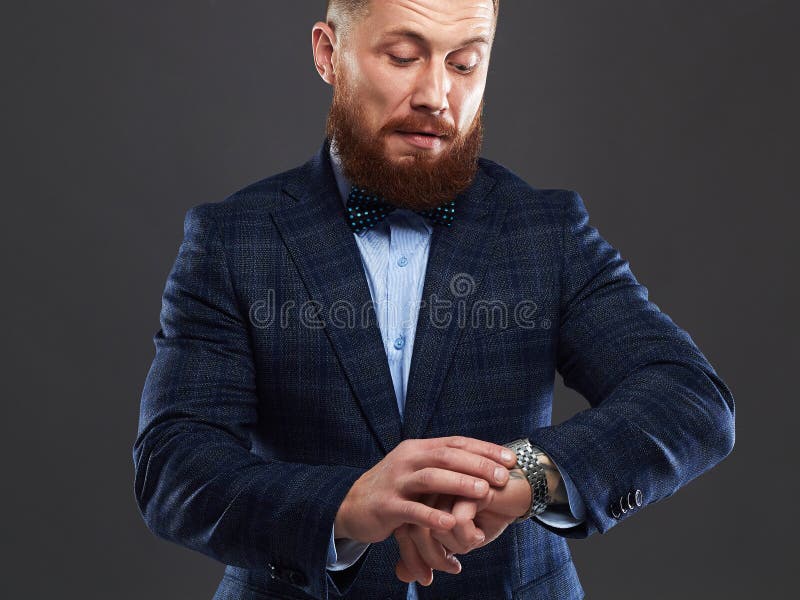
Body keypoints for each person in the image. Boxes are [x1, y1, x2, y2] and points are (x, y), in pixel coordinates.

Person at [132, 1, 736, 599]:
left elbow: (690, 399)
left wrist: (524, 476)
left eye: (466, 63)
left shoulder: (545, 229)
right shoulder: (233, 238)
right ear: (328, 54)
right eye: (402, 56)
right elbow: (174, 464)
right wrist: (344, 506)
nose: (435, 95)